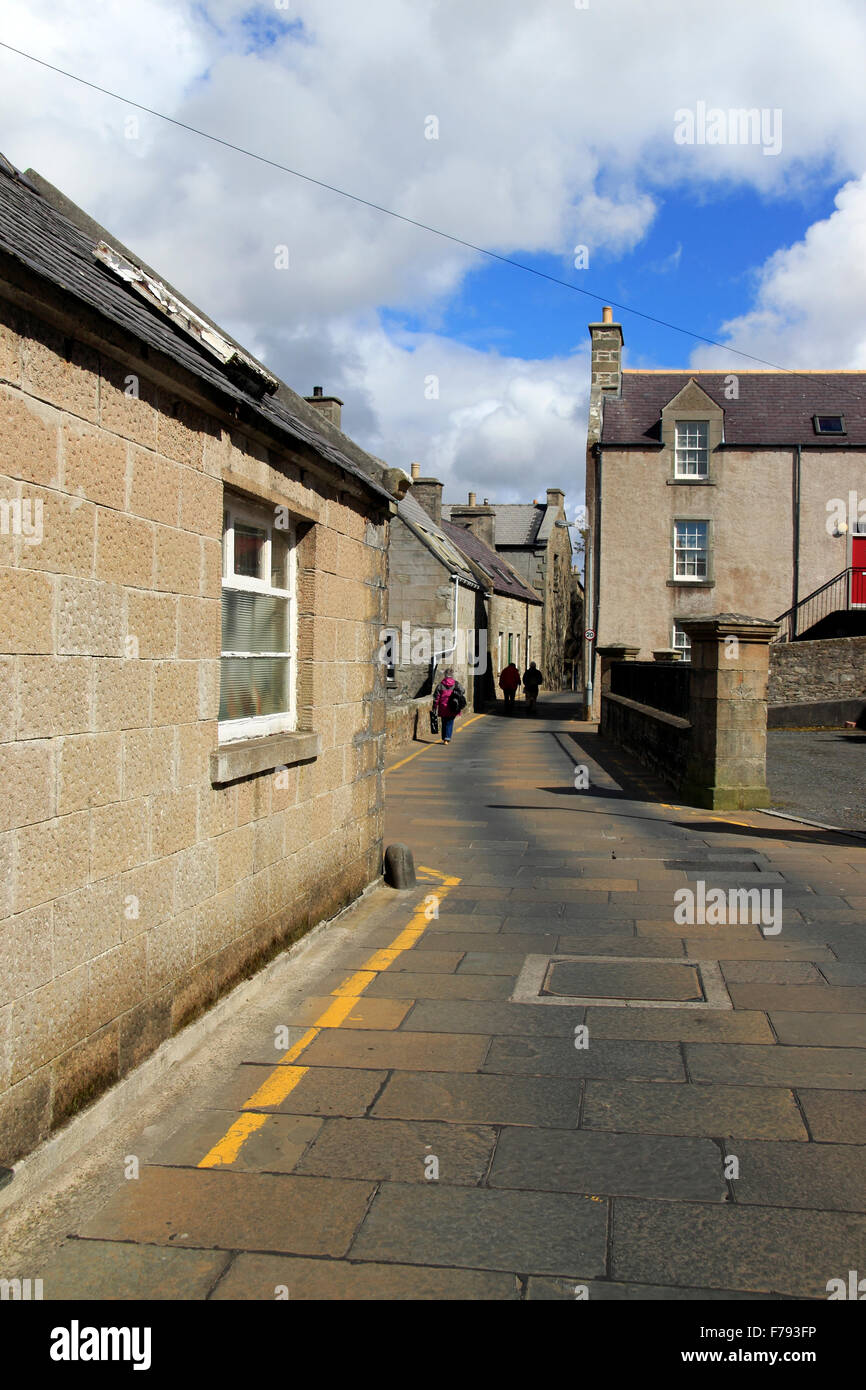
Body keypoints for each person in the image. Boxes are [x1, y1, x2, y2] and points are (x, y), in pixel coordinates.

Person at [431, 666, 466, 744]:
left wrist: (435, 706)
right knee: (450, 722)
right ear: (452, 675)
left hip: (443, 706)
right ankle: (447, 738)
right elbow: (463, 691)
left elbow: (436, 697)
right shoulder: (456, 684)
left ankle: (444, 738)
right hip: (453, 706)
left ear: (445, 675)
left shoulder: (440, 685)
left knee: (444, 722)